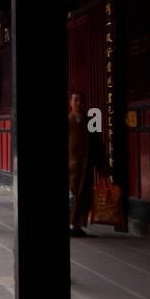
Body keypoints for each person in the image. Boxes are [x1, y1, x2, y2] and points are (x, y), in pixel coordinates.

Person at [68, 91, 108, 237]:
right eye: (76, 100)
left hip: (85, 165)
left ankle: (77, 225)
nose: (79, 103)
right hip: (71, 165)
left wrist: (103, 167)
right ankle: (71, 224)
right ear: (70, 103)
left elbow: (97, 145)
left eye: (81, 100)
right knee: (72, 194)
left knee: (83, 195)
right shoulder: (68, 121)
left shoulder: (90, 122)